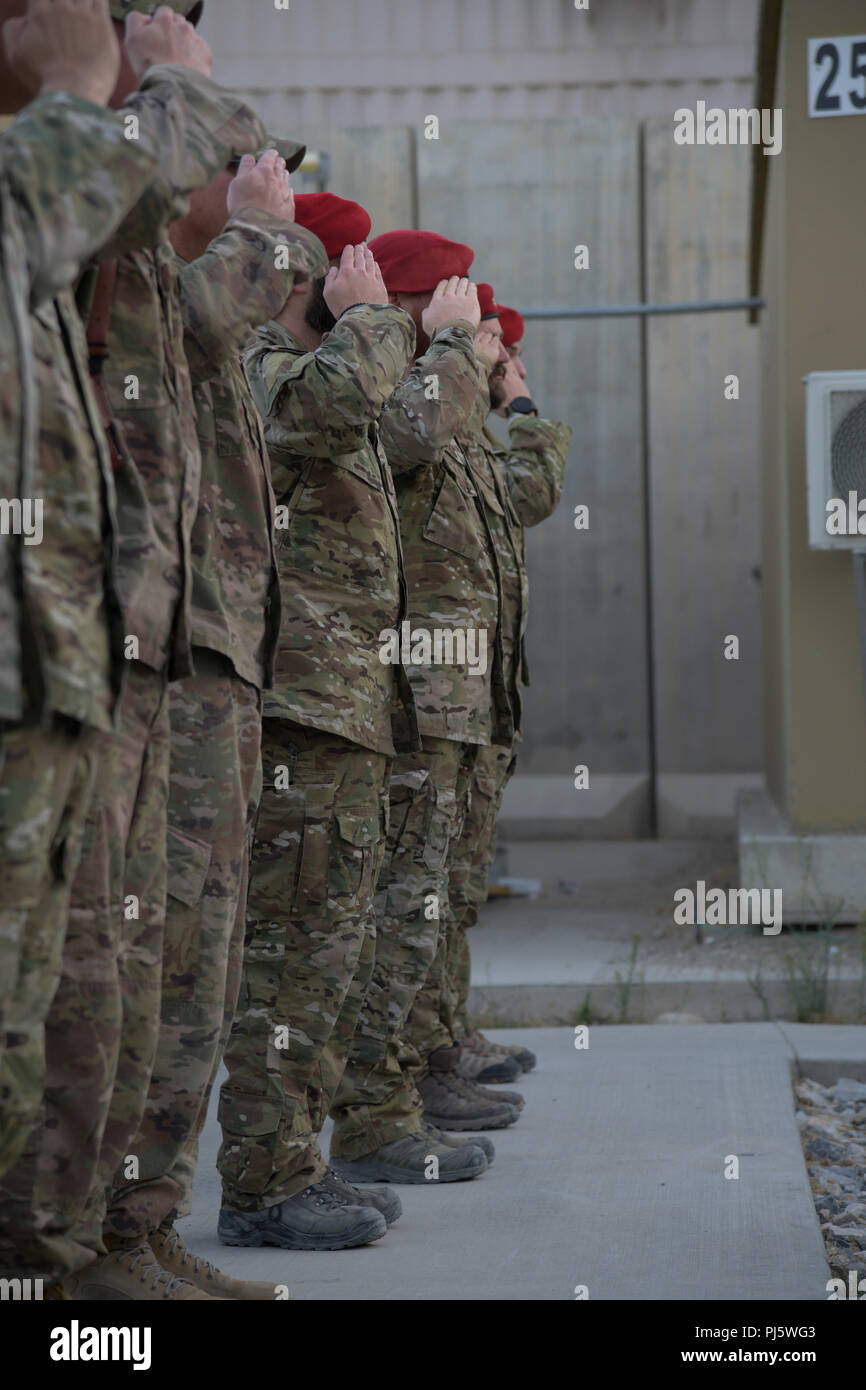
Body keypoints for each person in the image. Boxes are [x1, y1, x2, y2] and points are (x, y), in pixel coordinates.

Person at [1, 0, 273, 1301]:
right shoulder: (61, 200)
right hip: (102, 652)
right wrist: (152, 100)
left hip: (123, 645)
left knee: (143, 967)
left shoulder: (111, 232)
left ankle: (118, 1236)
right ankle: (62, 1257)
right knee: (75, 988)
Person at [217, 193, 424, 1251]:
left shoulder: (322, 374)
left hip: (340, 715)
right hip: (298, 717)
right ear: (316, 280)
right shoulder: (264, 368)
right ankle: (261, 1181)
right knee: (289, 962)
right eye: (351, 276)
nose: (375, 296)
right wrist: (371, 319)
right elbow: (332, 406)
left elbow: (400, 417)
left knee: (325, 955)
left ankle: (297, 1161)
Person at [328, 232, 518, 1188]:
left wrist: (506, 392)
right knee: (394, 915)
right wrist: (445, 353)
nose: (478, 343)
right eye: (449, 312)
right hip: (401, 701)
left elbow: (530, 492)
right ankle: (375, 1110)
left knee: (428, 909)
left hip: (451, 701)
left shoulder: (442, 407)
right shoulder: (386, 402)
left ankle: (405, 1090)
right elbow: (402, 438)